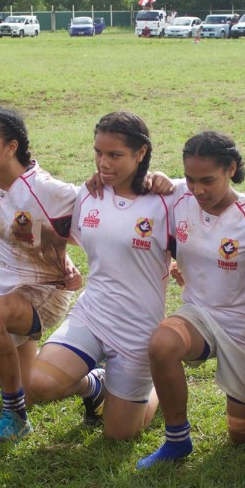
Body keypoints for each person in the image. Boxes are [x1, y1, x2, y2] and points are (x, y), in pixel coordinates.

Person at [136, 131, 245, 469]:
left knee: (239, 435)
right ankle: (177, 440)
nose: (198, 190)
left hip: (244, 326)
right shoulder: (179, 196)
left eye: (207, 180)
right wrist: (152, 178)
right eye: (191, 179)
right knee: (161, 345)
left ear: (230, 169)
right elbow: (128, 183)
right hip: (198, 313)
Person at [28, 111, 172, 439]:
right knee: (37, 384)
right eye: (98, 152)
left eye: (115, 155)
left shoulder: (167, 200)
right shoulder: (90, 193)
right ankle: (95, 383)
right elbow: (68, 235)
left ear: (141, 153)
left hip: (138, 328)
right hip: (93, 313)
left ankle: (158, 388)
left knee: (120, 435)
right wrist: (62, 265)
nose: (103, 163)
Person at [0, 108, 81, 446]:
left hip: (44, 291)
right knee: (32, 389)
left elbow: (97, 213)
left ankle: (14, 417)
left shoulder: (45, 189)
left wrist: (64, 258)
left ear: (11, 147)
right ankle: (94, 382)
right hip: (3, 288)